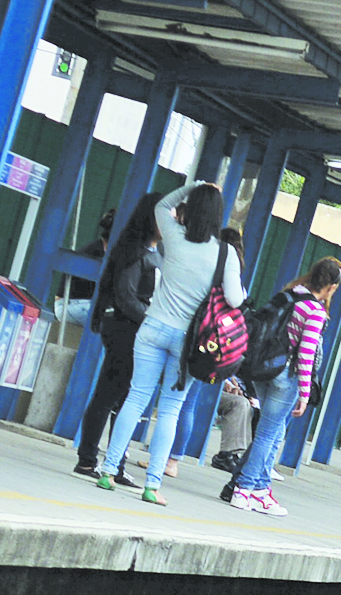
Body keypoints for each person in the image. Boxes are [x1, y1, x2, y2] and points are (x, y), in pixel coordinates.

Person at [96, 181, 244, 505]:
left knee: (135, 400)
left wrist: (194, 186)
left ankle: (107, 471)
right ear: (219, 215)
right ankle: (151, 485)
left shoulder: (174, 237)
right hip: (188, 342)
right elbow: (234, 298)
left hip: (152, 328)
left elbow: (160, 206)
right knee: (170, 411)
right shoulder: (225, 253)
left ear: (189, 209)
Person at [226, 257, 341, 517]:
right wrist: (305, 392)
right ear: (332, 286)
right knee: (268, 435)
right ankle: (245, 490)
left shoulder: (289, 294)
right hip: (285, 377)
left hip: (263, 370)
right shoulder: (315, 311)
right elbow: (306, 352)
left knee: (271, 433)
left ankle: (260, 490)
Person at [72, 197, 160, 485]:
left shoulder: (145, 251)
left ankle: (113, 462)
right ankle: (89, 460)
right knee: (111, 395)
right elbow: (125, 295)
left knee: (121, 398)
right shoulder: (137, 253)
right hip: (126, 329)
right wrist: (151, 320)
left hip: (129, 328)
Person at [211, 378, 254, 473]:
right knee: (239, 403)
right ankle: (226, 453)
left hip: (222, 385)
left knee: (245, 403)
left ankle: (233, 453)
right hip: (209, 386)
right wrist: (226, 381)